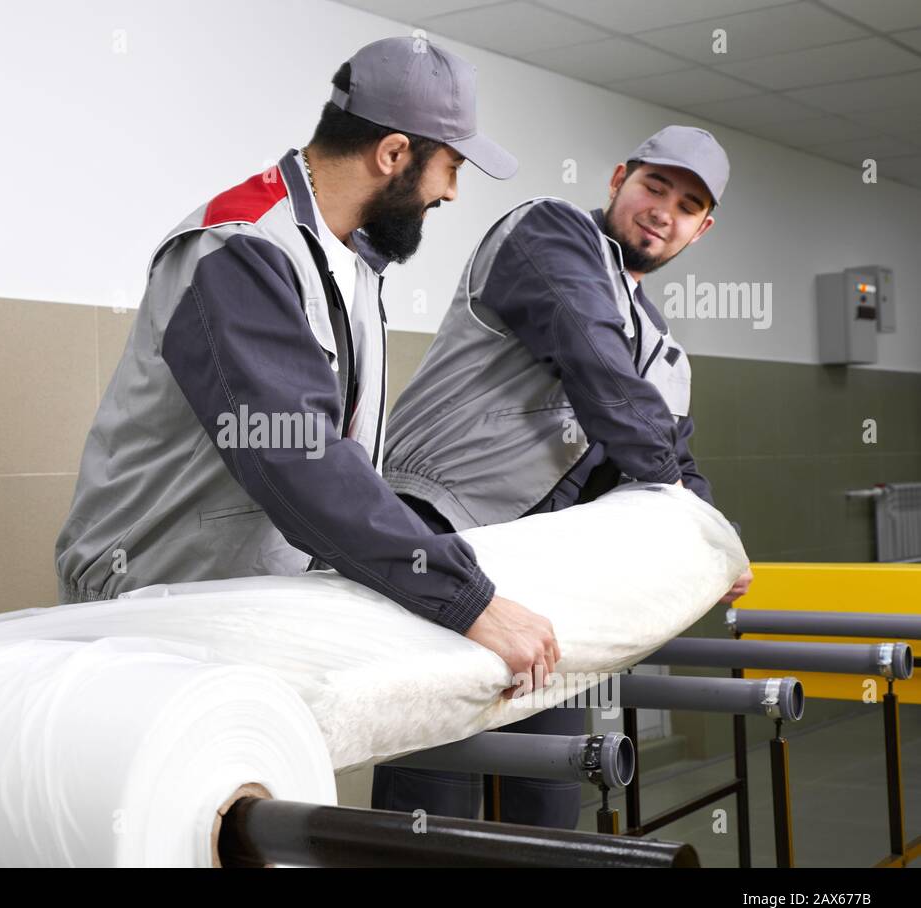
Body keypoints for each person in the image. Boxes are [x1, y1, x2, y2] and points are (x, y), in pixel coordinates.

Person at [56, 37, 563, 713]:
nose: (450, 190)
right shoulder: (238, 247)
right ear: (392, 154)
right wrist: (470, 600)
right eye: (449, 165)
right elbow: (298, 458)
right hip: (150, 608)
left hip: (238, 605)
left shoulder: (349, 263)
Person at [377, 126, 754, 826]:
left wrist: (718, 543)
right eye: (654, 185)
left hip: (545, 582)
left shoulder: (667, 354)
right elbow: (598, 368)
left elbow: (674, 453)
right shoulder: (545, 231)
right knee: (436, 790)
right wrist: (690, 517)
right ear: (617, 179)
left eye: (688, 203)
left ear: (702, 228)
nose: (663, 210)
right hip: (447, 533)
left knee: (548, 790)